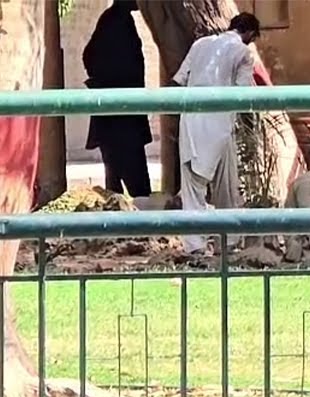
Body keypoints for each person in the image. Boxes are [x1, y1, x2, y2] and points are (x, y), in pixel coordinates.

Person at [172, 12, 261, 254]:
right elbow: (242, 95)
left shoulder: (200, 44)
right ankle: (228, 241)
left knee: (192, 189)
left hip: (191, 121)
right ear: (250, 34)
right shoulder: (243, 53)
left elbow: (179, 81)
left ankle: (195, 246)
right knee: (227, 187)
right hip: (221, 125)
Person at [82, 0, 152, 198]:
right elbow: (90, 56)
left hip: (120, 112)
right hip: (121, 114)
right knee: (131, 176)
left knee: (116, 173)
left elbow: (89, 56)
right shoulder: (115, 21)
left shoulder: (118, 20)